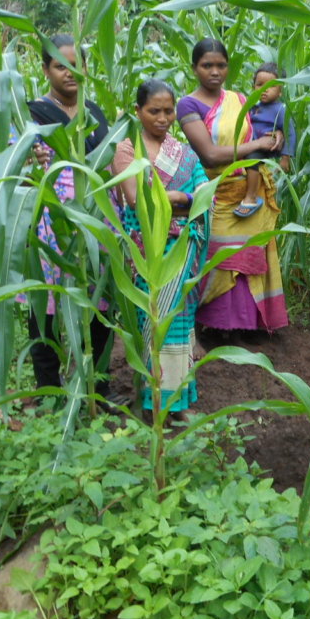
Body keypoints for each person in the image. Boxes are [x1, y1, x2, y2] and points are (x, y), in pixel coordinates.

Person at [15, 34, 113, 397]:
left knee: (100, 301)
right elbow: (13, 173)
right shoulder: (31, 115)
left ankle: (98, 388)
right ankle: (49, 392)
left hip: (98, 218)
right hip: (50, 223)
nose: (70, 73)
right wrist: (30, 161)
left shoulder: (95, 112)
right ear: (45, 70)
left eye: (76, 64)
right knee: (47, 307)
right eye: (60, 66)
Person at [176, 38, 290, 334]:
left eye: (221, 65)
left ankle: (245, 326)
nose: (215, 71)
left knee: (248, 257)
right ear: (194, 68)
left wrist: (277, 136)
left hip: (249, 192)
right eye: (207, 65)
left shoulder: (239, 99)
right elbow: (210, 154)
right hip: (217, 192)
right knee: (220, 257)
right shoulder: (188, 104)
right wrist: (257, 144)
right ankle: (214, 326)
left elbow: (265, 127)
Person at [110, 79, 210, 416]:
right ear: (138, 111)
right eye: (154, 111)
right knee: (151, 323)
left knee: (178, 324)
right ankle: (151, 402)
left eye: (169, 111)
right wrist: (180, 198)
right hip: (145, 253)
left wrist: (177, 199)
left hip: (181, 248)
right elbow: (136, 199)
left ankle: (177, 401)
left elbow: (204, 193)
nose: (163, 118)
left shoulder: (183, 152)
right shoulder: (127, 150)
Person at [236, 62, 296, 217]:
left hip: (266, 148)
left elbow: (289, 133)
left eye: (271, 86)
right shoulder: (251, 106)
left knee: (252, 158)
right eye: (259, 85)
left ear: (280, 91)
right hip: (251, 144)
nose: (264, 89)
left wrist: (285, 158)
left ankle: (251, 197)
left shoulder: (281, 109)